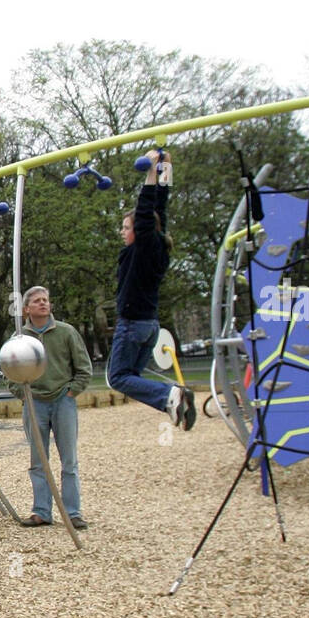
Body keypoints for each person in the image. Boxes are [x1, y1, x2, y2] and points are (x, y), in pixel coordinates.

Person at [107, 149, 195, 430]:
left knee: (118, 377)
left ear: (140, 230)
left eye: (125, 227)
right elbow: (161, 208)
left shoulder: (145, 246)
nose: (122, 232)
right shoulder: (158, 244)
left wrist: (151, 170)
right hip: (149, 324)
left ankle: (170, 394)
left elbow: (147, 209)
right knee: (131, 376)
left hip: (133, 324)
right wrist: (166, 167)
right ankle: (172, 400)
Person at [13, 287, 90, 529]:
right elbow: (10, 370)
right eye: (37, 301)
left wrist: (72, 391)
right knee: (38, 460)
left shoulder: (67, 332)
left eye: (46, 300)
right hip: (34, 402)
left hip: (62, 400)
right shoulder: (20, 339)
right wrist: (23, 395)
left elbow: (83, 367)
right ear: (27, 309)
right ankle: (42, 511)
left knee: (69, 460)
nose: (43, 304)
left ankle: (72, 512)